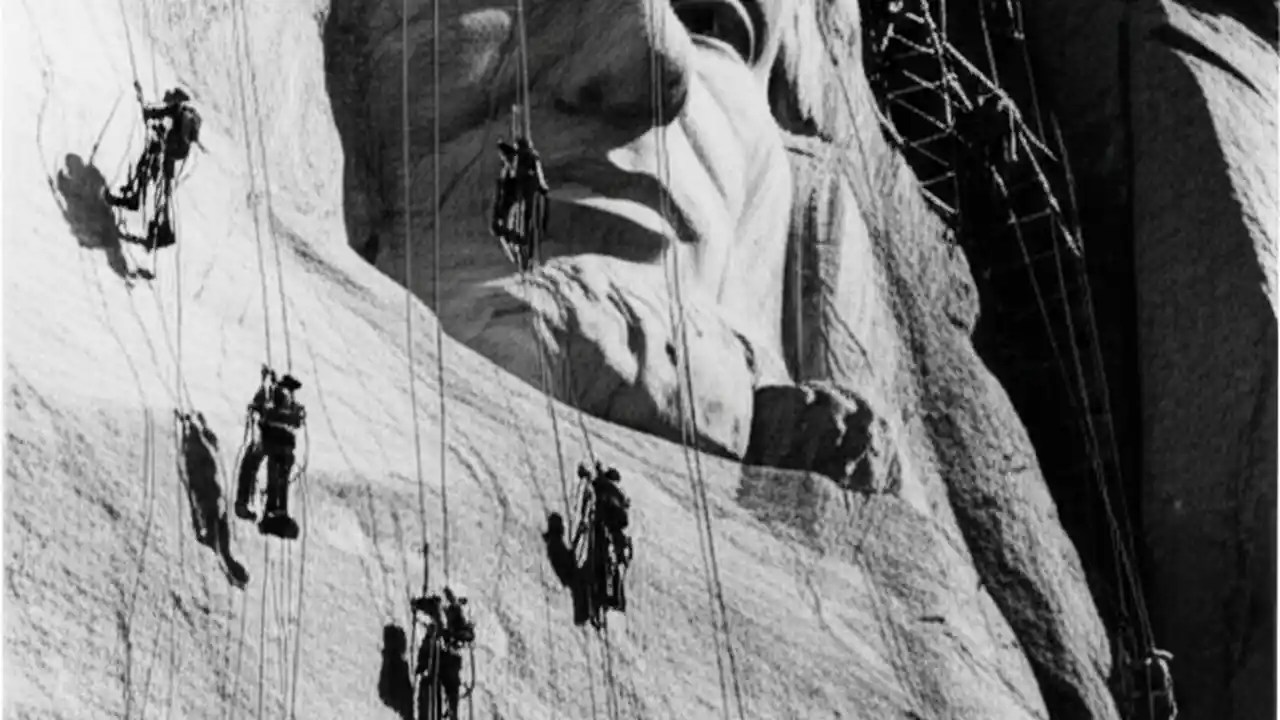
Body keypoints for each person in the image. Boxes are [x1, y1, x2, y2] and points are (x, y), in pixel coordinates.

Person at [106, 84, 203, 250]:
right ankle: (162, 224)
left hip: (169, 151)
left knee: (153, 174)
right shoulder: (185, 113)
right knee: (164, 190)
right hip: (175, 154)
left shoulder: (176, 111)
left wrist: (145, 109)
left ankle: (138, 203)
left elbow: (153, 114)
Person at [235, 366, 305, 539]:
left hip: (281, 446)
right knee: (274, 475)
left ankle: (275, 511)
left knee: (279, 476)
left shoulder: (281, 403)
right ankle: (271, 511)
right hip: (277, 445)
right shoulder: (276, 401)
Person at [489, 135, 549, 271]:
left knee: (517, 217)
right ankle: (521, 245)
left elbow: (509, 156)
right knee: (520, 217)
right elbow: (509, 155)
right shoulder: (527, 158)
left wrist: (501, 146)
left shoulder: (524, 158)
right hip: (518, 191)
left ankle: (521, 246)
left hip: (518, 190)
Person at [413, 591, 470, 719]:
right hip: (441, 658)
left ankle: (450, 710)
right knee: (443, 684)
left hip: (443, 658)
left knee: (445, 684)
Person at [1143, 648, 1177, 720]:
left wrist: (1157, 653)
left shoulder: (1161, 662)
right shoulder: (1153, 665)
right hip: (1162, 692)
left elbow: (1171, 657)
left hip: (1165, 690)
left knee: (1168, 708)